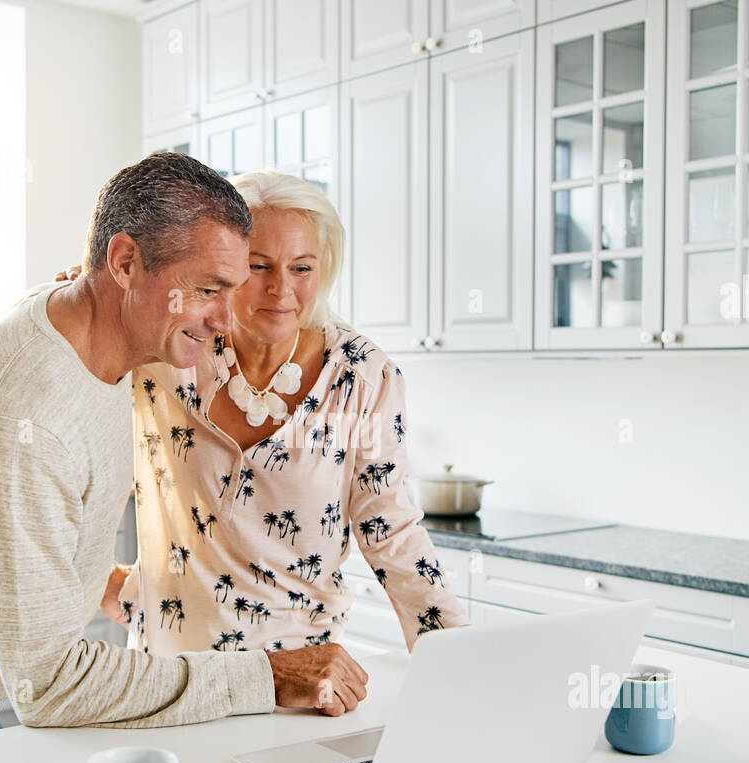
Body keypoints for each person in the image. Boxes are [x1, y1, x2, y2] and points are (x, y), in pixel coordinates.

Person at [0, 153, 369, 756]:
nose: (224, 320)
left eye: (232, 289)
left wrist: (86, 583)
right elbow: (50, 686)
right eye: (207, 290)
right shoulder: (25, 422)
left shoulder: (94, 328)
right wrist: (267, 676)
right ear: (126, 262)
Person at [64, 170, 469, 663]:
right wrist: (98, 579)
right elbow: (59, 445)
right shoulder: (168, 349)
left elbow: (391, 531)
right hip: (169, 672)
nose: (281, 290)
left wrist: (458, 660)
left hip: (299, 675)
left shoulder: (363, 376)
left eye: (302, 268)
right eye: (259, 267)